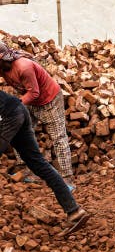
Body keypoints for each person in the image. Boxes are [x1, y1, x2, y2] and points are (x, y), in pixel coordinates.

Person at [0, 90, 89, 234]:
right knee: (38, 163)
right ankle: (74, 211)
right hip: (19, 110)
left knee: (38, 163)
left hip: (9, 115)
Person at [0, 42, 75, 190]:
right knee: (18, 133)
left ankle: (67, 179)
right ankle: (29, 170)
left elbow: (35, 92)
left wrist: (15, 106)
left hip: (50, 99)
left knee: (59, 138)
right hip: (28, 100)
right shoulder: (3, 67)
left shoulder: (24, 67)